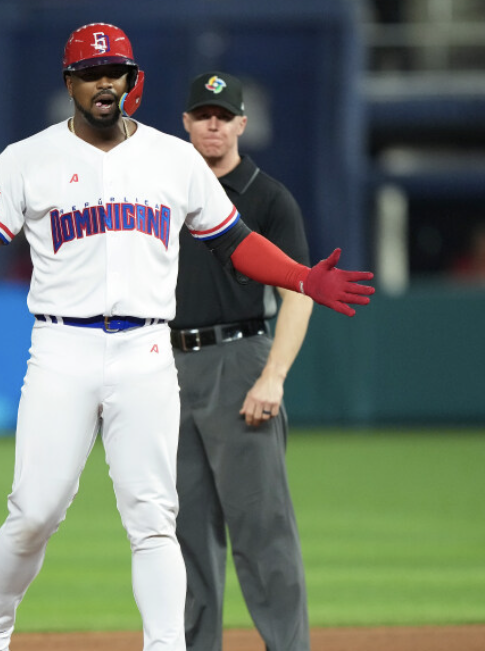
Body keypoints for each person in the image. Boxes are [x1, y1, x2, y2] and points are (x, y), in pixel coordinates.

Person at [0, 23, 374, 651]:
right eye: (91, 73)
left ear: (132, 80)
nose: (104, 83)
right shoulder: (26, 159)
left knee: (154, 521)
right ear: (70, 84)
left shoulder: (174, 158)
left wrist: (302, 278)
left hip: (146, 351)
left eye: (114, 71)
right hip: (63, 350)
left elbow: (235, 242)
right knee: (35, 513)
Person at [171, 71, 313, 651]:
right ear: (185, 122)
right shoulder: (166, 193)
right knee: (182, 534)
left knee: (262, 530)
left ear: (241, 125)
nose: (212, 123)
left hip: (240, 359)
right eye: (203, 113)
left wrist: (273, 376)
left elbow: (299, 293)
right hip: (168, 366)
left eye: (223, 115)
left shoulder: (268, 197)